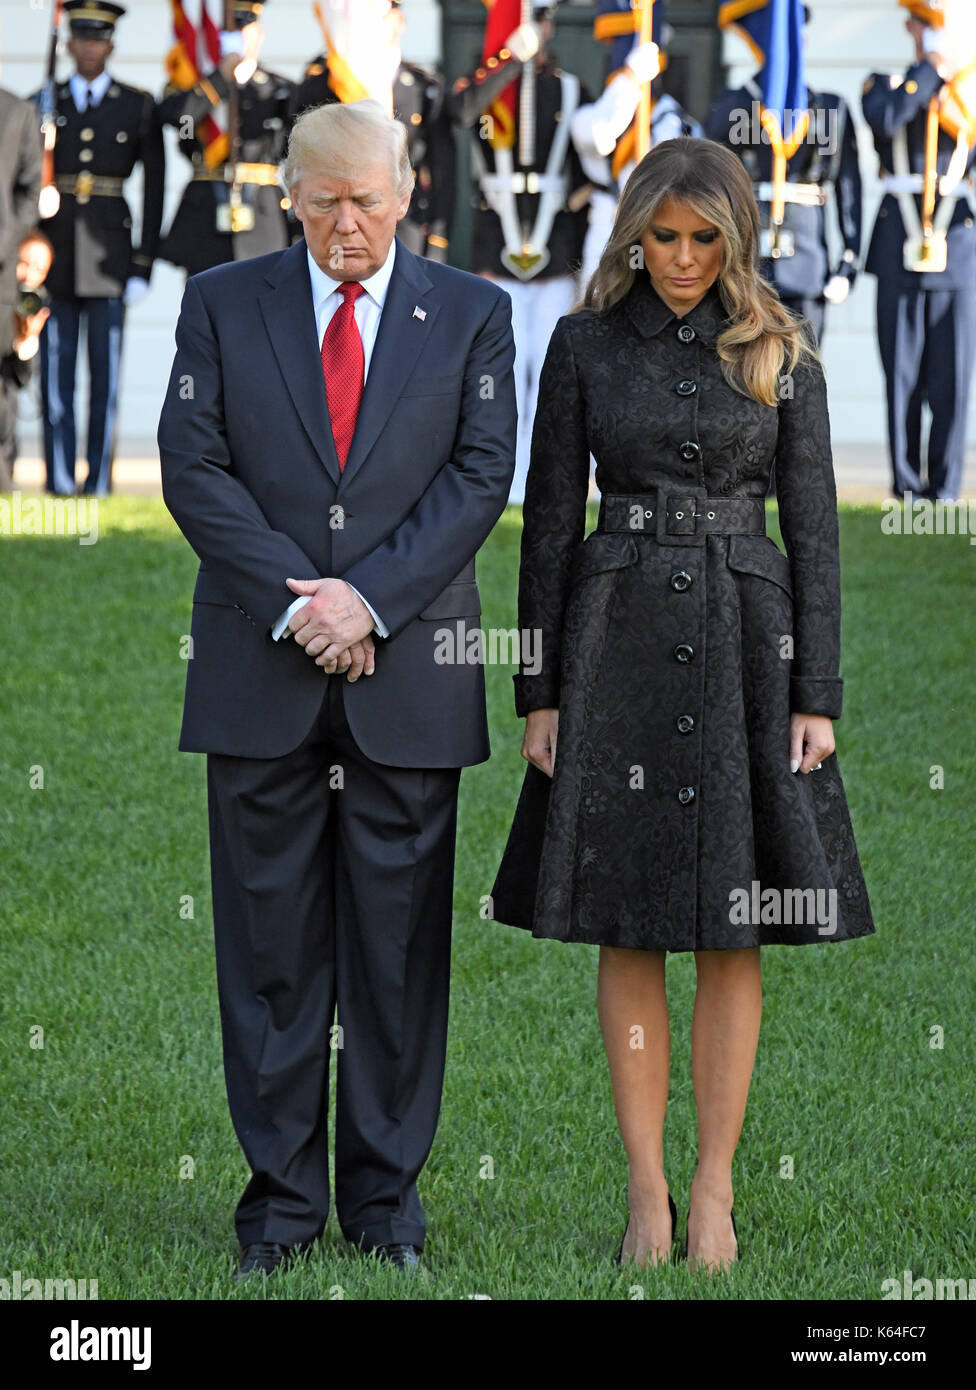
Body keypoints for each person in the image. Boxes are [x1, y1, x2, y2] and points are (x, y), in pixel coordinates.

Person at [489, 137, 875, 1273]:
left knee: (731, 926)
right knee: (629, 920)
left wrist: (818, 692)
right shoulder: (579, 344)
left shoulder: (781, 349)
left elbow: (814, 530)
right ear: (632, 231)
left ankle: (714, 1190)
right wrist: (539, 689)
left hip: (749, 648)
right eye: (663, 236)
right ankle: (646, 1195)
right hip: (612, 644)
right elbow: (546, 525)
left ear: (737, 237)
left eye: (705, 239)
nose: (682, 260)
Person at [157, 99, 516, 1280]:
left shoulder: (472, 313)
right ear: (289, 199)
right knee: (269, 950)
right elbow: (193, 468)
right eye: (325, 203)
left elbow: (478, 479)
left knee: (400, 951)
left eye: (367, 200)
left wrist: (367, 604)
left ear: (406, 191)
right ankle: (275, 1206)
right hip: (262, 673)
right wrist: (300, 603)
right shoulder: (219, 304)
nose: (347, 225)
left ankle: (387, 1203)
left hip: (406, 678)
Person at [449, 5, 591, 504]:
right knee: (503, 365)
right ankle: (503, 473)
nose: (536, 25)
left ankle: (548, 472)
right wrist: (510, 60)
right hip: (496, 243)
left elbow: (589, 163)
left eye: (543, 17)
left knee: (549, 362)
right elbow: (462, 112)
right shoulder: (489, 86)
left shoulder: (571, 88)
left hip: (553, 246)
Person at [35, 0, 164, 497]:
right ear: (68, 44)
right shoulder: (43, 101)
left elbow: (154, 189)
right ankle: (60, 479)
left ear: (110, 44)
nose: (89, 46)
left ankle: (99, 481)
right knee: (55, 376)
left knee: (104, 379)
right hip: (53, 255)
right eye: (81, 37)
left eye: (98, 37)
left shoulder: (137, 105)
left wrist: (142, 264)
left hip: (111, 257)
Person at [862, 0, 976, 500]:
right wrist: (928, 70)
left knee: (952, 381)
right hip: (899, 244)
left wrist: (953, 79)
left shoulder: (969, 93)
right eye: (926, 24)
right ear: (911, 26)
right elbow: (888, 121)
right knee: (902, 378)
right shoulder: (883, 83)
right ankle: (907, 488)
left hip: (959, 244)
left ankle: (945, 490)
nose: (933, 34)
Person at [706, 3, 861, 347]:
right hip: (746, 262)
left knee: (803, 378)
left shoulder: (828, 108)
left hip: (807, 262)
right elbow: (712, 184)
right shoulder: (733, 104)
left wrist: (849, 260)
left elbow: (849, 189)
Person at [293, 0, 456, 262]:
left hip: (408, 220)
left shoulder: (423, 87)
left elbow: (442, 168)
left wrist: (437, 238)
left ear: (398, 22)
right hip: (340, 217)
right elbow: (298, 161)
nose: (369, 24)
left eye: (380, 15)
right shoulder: (324, 84)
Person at [571, 2, 703, 288]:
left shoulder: (676, 121)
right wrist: (630, 81)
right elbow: (600, 136)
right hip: (607, 226)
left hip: (660, 229)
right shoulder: (590, 115)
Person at [157, 1, 293, 276]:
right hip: (205, 212)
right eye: (228, 26)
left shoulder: (280, 90)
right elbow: (181, 121)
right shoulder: (196, 88)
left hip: (263, 214)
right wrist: (219, 79)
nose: (237, 34)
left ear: (259, 32)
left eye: (244, 25)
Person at [0, 81, 43, 491]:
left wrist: (6, 237)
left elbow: (31, 188)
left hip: (1, 272)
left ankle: (2, 477)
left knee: (3, 377)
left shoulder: (16, 110)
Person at [1, 231, 53, 491]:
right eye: (24, 262)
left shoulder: (32, 308)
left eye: (39, 268)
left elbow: (20, 380)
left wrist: (27, 339)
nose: (28, 274)